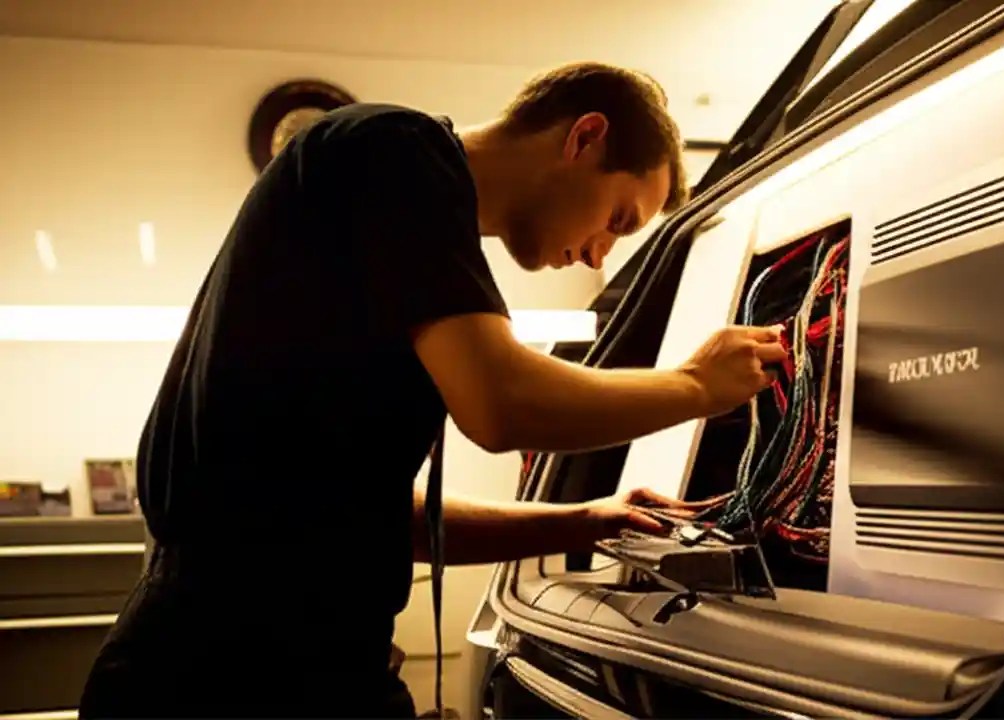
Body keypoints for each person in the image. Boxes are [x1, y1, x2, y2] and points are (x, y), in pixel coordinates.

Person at [79, 61, 784, 718]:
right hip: (226, 680)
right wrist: (696, 384)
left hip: (273, 664)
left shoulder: (396, 228)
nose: (601, 252)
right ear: (585, 137)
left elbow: (379, 513)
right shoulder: (393, 148)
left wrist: (587, 519)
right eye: (619, 219)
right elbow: (501, 404)